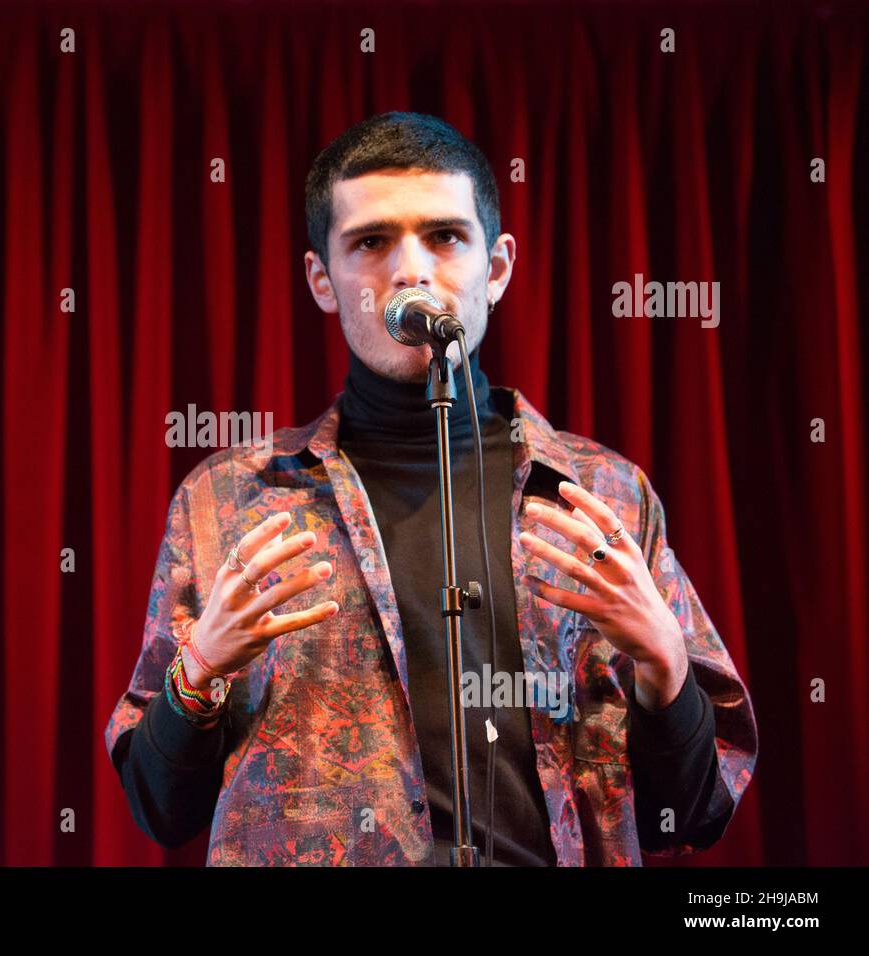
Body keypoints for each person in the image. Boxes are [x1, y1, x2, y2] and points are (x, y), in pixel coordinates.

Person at [104, 111, 758, 866]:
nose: (411, 270)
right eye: (372, 242)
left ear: (499, 266)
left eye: (446, 237)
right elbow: (160, 809)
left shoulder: (602, 493)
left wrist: (665, 669)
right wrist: (201, 670)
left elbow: (693, 814)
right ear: (323, 278)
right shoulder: (230, 498)